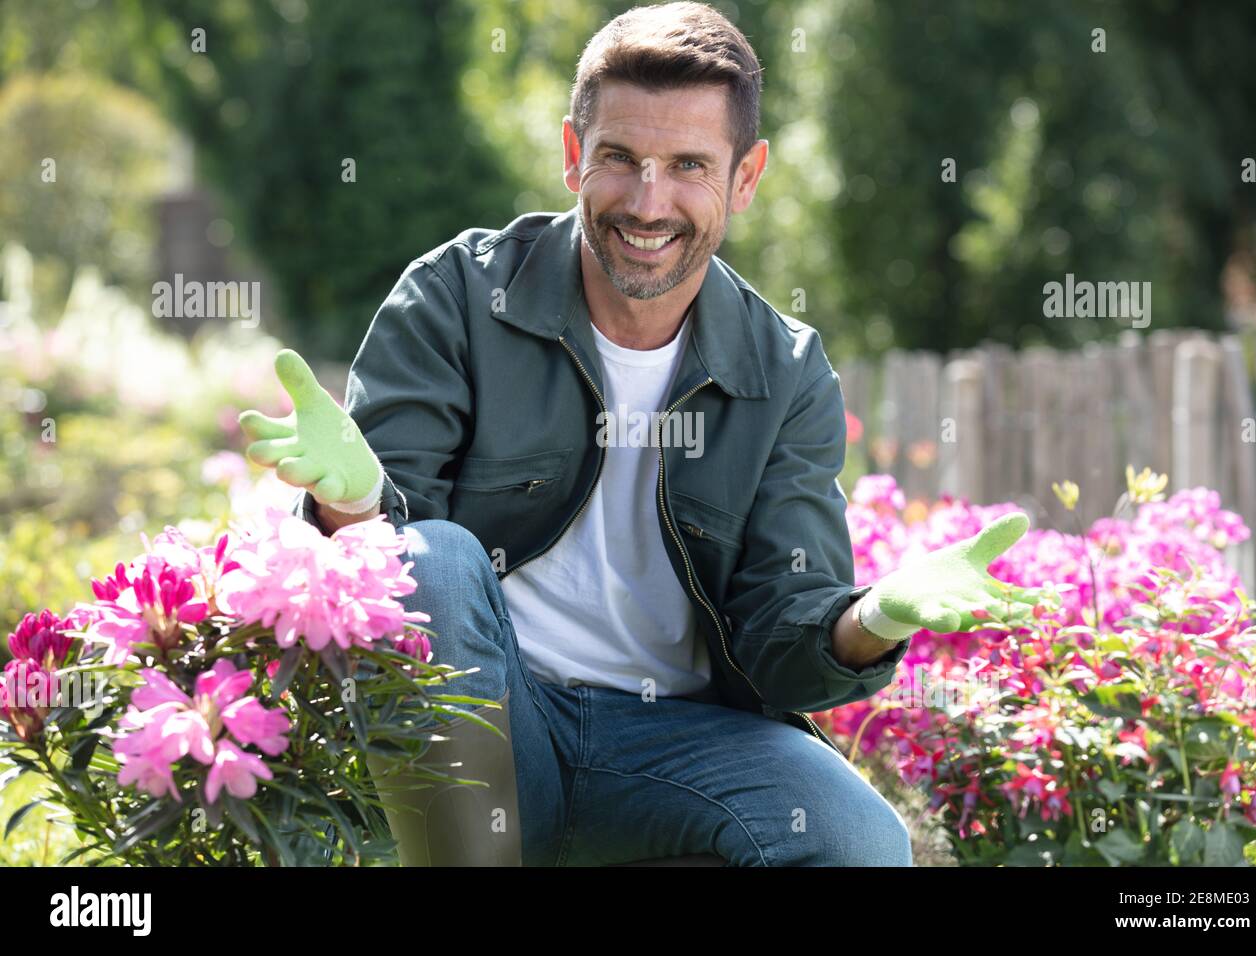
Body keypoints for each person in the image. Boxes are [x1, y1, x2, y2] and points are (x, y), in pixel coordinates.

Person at [237, 1, 1033, 866]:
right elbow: (397, 592)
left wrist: (872, 617)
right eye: (620, 158)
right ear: (575, 156)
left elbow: (781, 641)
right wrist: (352, 506)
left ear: (746, 177)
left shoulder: (786, 370)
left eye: (689, 164)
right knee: (432, 557)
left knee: (856, 838)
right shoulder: (459, 298)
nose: (649, 202)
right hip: (489, 723)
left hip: (680, 747)